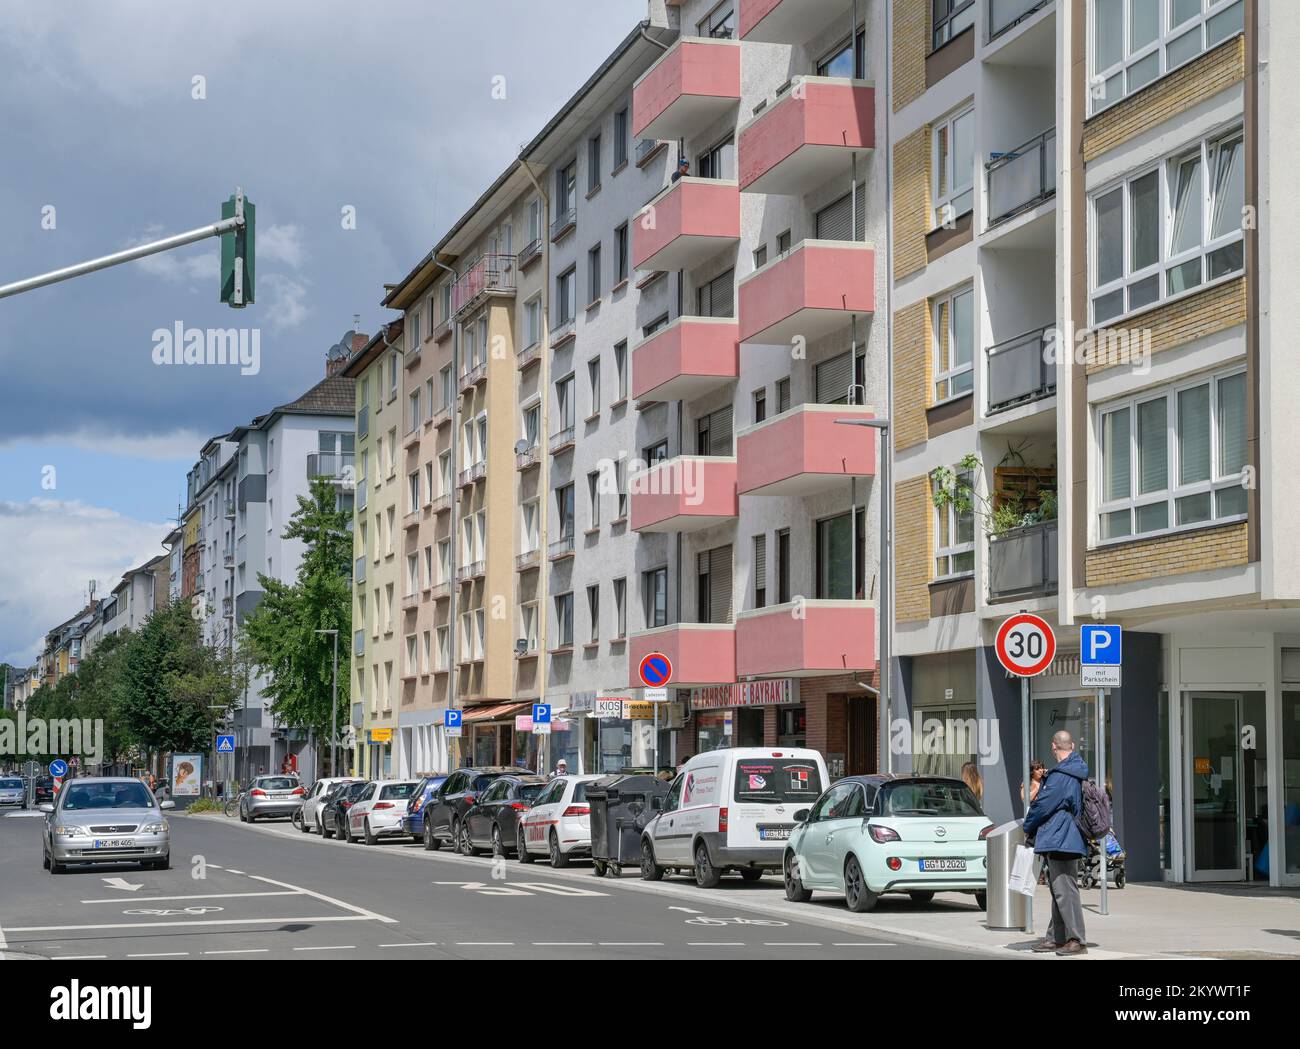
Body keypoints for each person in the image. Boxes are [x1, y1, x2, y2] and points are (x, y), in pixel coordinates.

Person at [1023, 730, 1089, 956]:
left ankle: (1076, 939)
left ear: (1054, 747)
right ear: (1071, 746)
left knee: (1065, 891)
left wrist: (1027, 826)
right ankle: (1056, 937)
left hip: (1061, 837)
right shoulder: (1074, 770)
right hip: (1065, 836)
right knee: (1059, 889)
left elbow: (1042, 806)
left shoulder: (1061, 775)